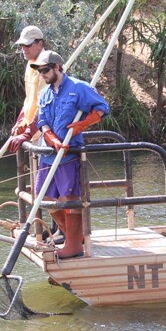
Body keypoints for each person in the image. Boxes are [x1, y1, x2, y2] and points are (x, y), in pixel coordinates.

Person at [32, 49, 110, 259]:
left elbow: (102, 108)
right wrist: (53, 139)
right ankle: (73, 237)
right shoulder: (45, 93)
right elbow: (42, 122)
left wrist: (83, 124)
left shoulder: (78, 88)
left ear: (58, 67)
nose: (43, 75)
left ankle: (74, 245)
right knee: (44, 196)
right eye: (40, 71)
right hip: (49, 154)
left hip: (70, 154)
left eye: (46, 70)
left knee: (69, 198)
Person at [6, 25, 46, 153]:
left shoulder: (46, 66)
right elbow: (29, 99)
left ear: (40, 44)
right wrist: (21, 122)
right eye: (22, 45)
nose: (23, 49)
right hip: (34, 132)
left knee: (45, 171)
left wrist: (27, 134)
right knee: (36, 170)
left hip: (45, 133)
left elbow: (44, 106)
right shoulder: (30, 64)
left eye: (27, 45)